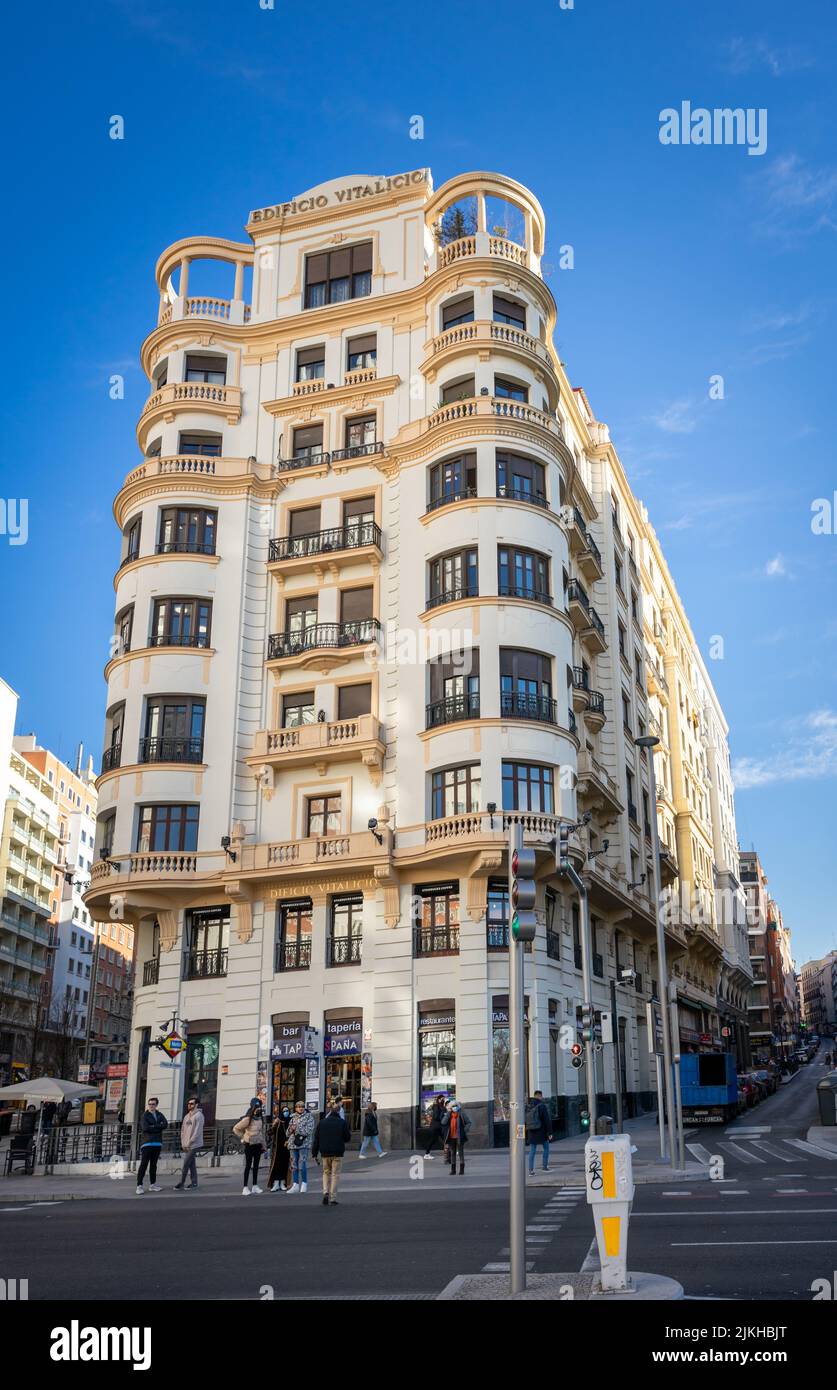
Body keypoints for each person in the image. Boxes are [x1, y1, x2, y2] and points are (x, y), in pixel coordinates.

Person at [312, 1099, 352, 1205]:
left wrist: (314, 1153)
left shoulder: (322, 1123)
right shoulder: (342, 1123)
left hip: (324, 1152)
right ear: (339, 1113)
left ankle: (325, 1192)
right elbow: (347, 1138)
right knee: (335, 1174)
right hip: (337, 1152)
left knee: (326, 1172)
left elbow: (316, 1139)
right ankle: (333, 1197)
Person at [136, 1097, 168, 1194]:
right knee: (144, 1164)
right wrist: (158, 1127)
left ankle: (152, 1185)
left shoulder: (159, 1114)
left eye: (153, 1104)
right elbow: (145, 1128)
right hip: (147, 1143)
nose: (151, 1106)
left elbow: (165, 1124)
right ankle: (139, 1186)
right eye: (149, 1104)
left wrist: (153, 1126)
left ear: (156, 1105)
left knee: (153, 1165)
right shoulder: (145, 1115)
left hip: (157, 1143)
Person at [233, 1099, 265, 1195]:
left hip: (258, 1144)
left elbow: (260, 1133)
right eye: (256, 1107)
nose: (258, 1109)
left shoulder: (260, 1119)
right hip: (249, 1145)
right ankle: (245, 1187)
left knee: (256, 1166)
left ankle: (255, 1185)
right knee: (248, 1165)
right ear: (252, 1108)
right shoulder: (247, 1119)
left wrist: (264, 1144)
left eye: (259, 1107)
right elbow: (236, 1128)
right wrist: (243, 1138)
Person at [285, 1100, 316, 1193]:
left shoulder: (309, 1117)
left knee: (302, 1164)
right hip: (292, 1144)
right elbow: (287, 1133)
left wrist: (297, 1128)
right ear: (296, 1108)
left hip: (304, 1143)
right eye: (298, 1107)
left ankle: (304, 1183)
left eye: (302, 1106)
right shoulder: (292, 1117)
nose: (300, 1108)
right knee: (294, 1165)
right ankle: (295, 1184)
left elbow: (309, 1130)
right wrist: (291, 1129)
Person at [174, 1097, 204, 1191]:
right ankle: (194, 1182)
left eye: (191, 1103)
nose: (189, 1105)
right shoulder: (186, 1116)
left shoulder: (199, 1115)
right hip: (186, 1144)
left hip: (194, 1144)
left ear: (196, 1105)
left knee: (186, 1163)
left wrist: (190, 1142)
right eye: (188, 1104)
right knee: (191, 1164)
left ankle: (181, 1182)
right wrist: (183, 1143)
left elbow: (197, 1131)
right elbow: (183, 1130)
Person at [525, 1090, 553, 1174]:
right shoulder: (542, 1106)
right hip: (542, 1131)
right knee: (546, 1148)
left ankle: (531, 1170)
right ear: (540, 1096)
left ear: (534, 1096)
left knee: (532, 1150)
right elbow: (547, 1120)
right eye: (541, 1096)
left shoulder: (528, 1106)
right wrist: (550, 1132)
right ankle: (544, 1167)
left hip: (531, 1131)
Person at [441, 1100, 471, 1175]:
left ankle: (461, 1170)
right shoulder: (449, 1114)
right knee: (452, 1153)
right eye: (453, 1106)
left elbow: (469, 1123)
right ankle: (453, 1170)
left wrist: (464, 1130)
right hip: (451, 1137)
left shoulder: (461, 1114)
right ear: (451, 1107)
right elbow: (443, 1122)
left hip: (459, 1136)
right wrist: (448, 1113)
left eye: (456, 1106)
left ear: (458, 1106)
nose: (455, 1107)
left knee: (460, 1153)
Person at [267, 1107, 292, 1192]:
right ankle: (276, 1183)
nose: (286, 1112)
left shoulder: (290, 1121)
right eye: (284, 1111)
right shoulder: (278, 1122)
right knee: (276, 1165)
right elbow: (269, 1132)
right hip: (277, 1148)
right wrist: (274, 1124)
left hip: (287, 1147)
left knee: (285, 1165)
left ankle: (283, 1182)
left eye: (287, 1111)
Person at [422, 1095, 445, 1159]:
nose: (443, 1100)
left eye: (444, 1099)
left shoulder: (441, 1106)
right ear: (439, 1099)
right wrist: (443, 1115)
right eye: (442, 1099)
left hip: (439, 1126)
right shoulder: (436, 1106)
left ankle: (451, 1150)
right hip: (435, 1126)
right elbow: (436, 1116)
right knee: (433, 1140)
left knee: (444, 1138)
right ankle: (427, 1154)